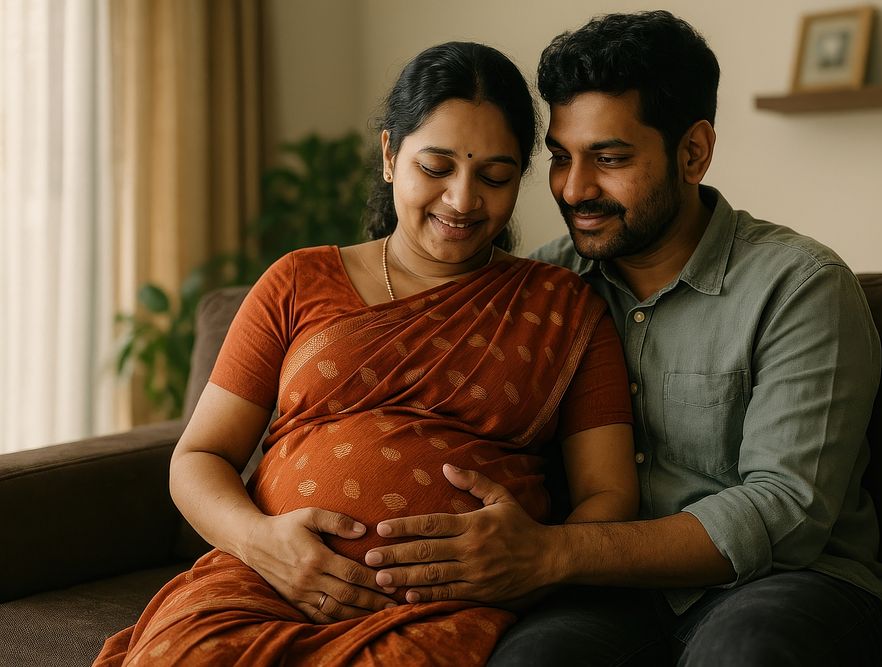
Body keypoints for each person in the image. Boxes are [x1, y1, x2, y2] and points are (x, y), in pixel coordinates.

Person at [359, 12, 882, 666]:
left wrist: (552, 553)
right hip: (607, 593)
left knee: (745, 653)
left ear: (693, 152)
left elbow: (785, 512)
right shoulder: (545, 287)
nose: (576, 188)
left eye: (609, 158)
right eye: (561, 157)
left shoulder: (800, 287)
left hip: (787, 583)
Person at [93, 41, 639, 666]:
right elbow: (199, 456)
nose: (462, 201)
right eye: (436, 168)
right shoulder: (297, 281)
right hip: (264, 582)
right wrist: (263, 543)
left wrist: (531, 559)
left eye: (494, 176)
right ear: (389, 156)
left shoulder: (563, 307)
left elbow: (610, 494)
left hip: (444, 605)